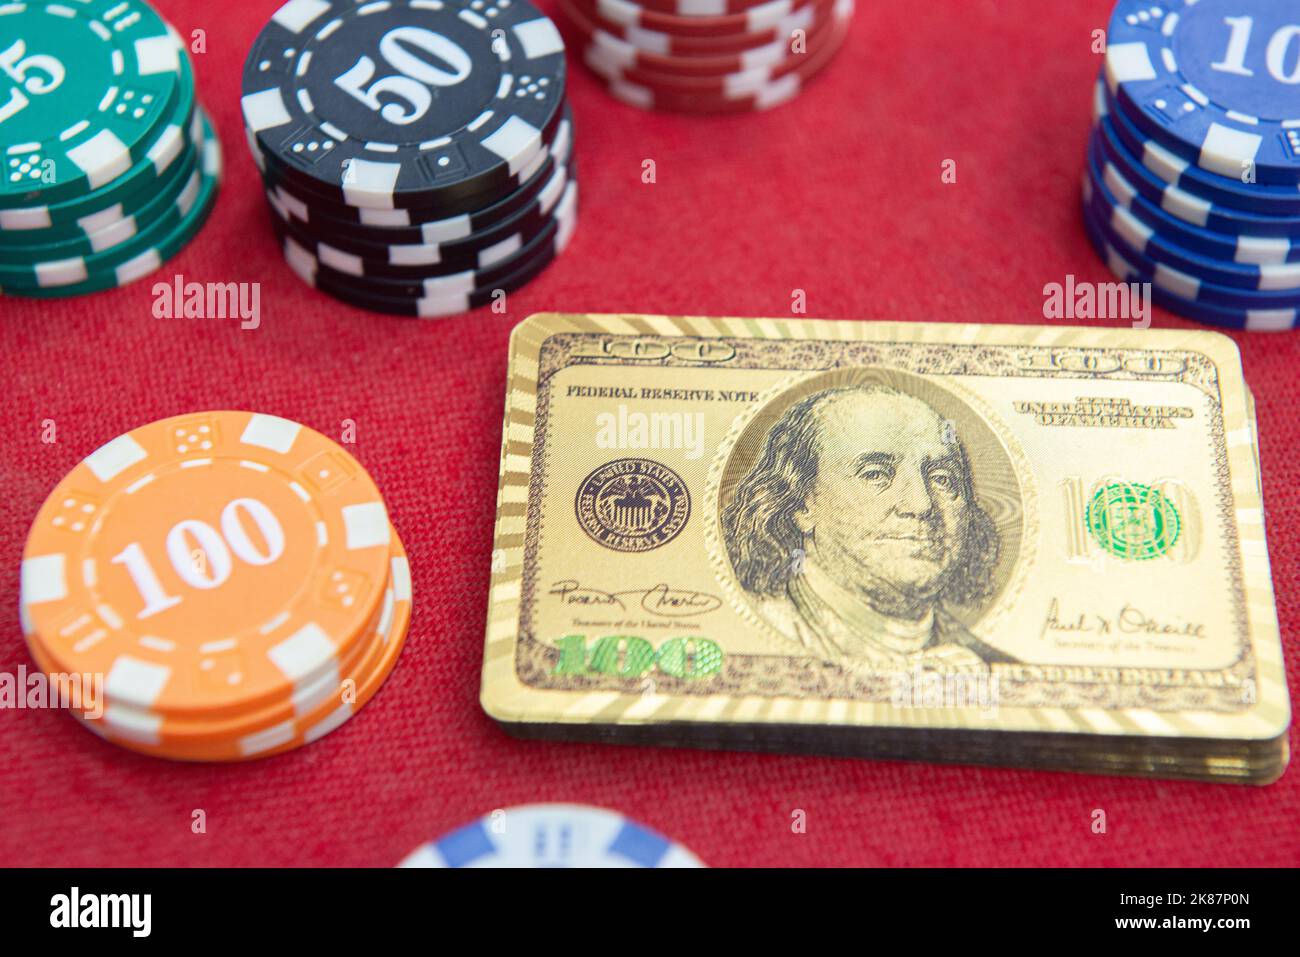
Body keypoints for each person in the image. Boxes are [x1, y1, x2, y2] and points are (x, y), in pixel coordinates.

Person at [722, 384, 1015, 671]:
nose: (921, 504)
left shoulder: (995, 666)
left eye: (941, 478)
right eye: (875, 474)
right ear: (800, 503)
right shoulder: (748, 631)